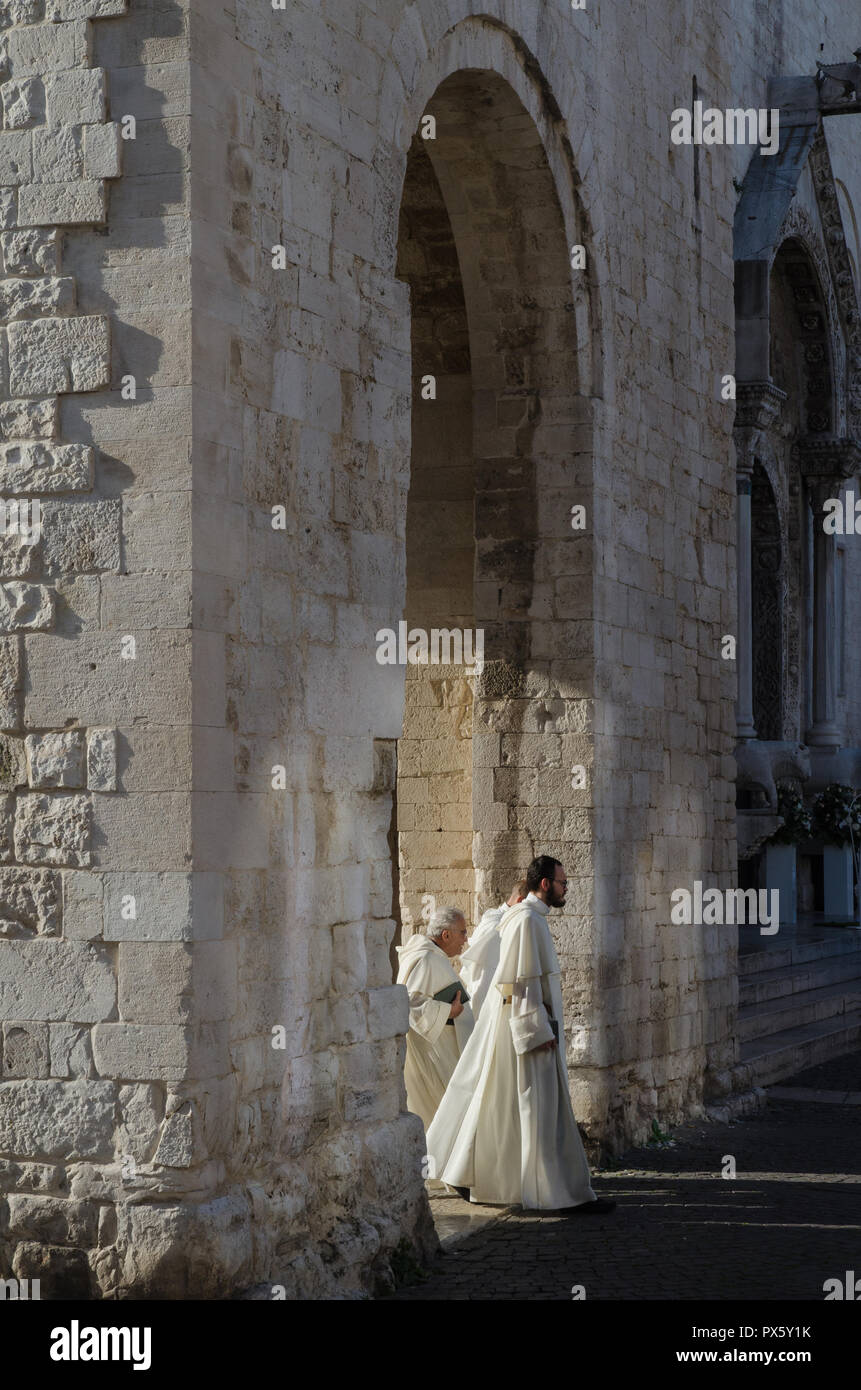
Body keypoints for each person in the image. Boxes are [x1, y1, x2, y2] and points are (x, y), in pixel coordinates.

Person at [426, 857, 615, 1215]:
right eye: (561, 883)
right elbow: (519, 984)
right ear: (544, 884)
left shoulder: (528, 919)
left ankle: (480, 1175)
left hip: (524, 1029)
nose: (565, 889)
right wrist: (535, 1032)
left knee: (505, 1105)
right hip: (529, 1034)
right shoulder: (527, 920)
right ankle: (550, 1192)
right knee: (533, 1109)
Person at [396, 906, 474, 1133]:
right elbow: (409, 1003)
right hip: (432, 1054)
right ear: (446, 935)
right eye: (462, 933)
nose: (465, 940)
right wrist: (448, 1012)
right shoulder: (425, 959)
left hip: (442, 1047)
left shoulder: (432, 956)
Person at [459, 878, 527, 1021]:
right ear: (520, 901)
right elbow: (484, 978)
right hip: (488, 1008)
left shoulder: (500, 919)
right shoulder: (496, 929)